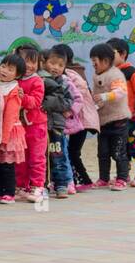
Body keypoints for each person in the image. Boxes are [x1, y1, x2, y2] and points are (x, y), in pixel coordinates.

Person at [109, 38, 135, 186]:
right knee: (122, 148)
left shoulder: (132, 72)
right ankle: (124, 175)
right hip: (119, 118)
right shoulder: (110, 74)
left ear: (123, 54)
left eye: (111, 54)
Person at [90, 42, 130, 190]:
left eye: (95, 60)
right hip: (104, 122)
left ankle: (122, 178)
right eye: (92, 61)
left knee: (119, 152)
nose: (93, 64)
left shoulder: (115, 74)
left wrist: (104, 97)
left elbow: (120, 92)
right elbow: (97, 99)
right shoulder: (97, 76)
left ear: (106, 61)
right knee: (103, 152)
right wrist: (94, 107)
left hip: (118, 121)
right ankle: (103, 178)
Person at [59, 45, 99, 192]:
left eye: (58, 62)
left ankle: (85, 180)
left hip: (81, 119)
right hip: (80, 119)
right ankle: (75, 180)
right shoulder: (76, 71)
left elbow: (78, 98)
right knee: (71, 150)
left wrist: (69, 112)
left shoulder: (71, 75)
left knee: (72, 151)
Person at [0, 55, 26, 203]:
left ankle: (9, 193)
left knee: (7, 164)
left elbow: (11, 115)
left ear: (17, 75)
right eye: (3, 66)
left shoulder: (14, 90)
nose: (4, 70)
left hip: (9, 132)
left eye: (10, 69)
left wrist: (3, 138)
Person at [15, 47, 47, 203]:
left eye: (33, 62)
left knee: (36, 158)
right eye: (25, 61)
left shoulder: (37, 81)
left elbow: (35, 102)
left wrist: (23, 97)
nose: (29, 65)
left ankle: (38, 187)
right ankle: (21, 186)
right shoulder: (15, 80)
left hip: (36, 126)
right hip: (19, 127)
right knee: (21, 159)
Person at [41, 47, 75, 198]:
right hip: (41, 125)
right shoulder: (39, 80)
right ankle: (44, 185)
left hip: (56, 126)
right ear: (44, 63)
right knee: (42, 156)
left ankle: (61, 184)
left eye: (60, 65)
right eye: (53, 63)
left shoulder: (64, 83)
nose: (56, 67)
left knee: (58, 154)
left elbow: (68, 102)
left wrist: (50, 102)